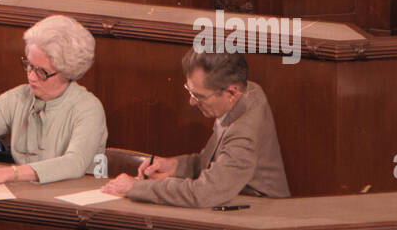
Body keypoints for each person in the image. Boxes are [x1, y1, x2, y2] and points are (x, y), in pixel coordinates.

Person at [101, 51, 290, 207]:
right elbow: (214, 161)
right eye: (189, 91)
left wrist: (134, 187)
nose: (191, 102)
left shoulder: (244, 133)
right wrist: (174, 165)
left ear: (231, 93)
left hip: (257, 212)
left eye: (198, 96)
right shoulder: (247, 91)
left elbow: (204, 193)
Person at [0, 15, 107, 187]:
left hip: (72, 201)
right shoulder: (16, 99)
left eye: (41, 72)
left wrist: (8, 173)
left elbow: (74, 163)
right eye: (29, 65)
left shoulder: (88, 108)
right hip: (26, 198)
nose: (31, 76)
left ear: (67, 72)